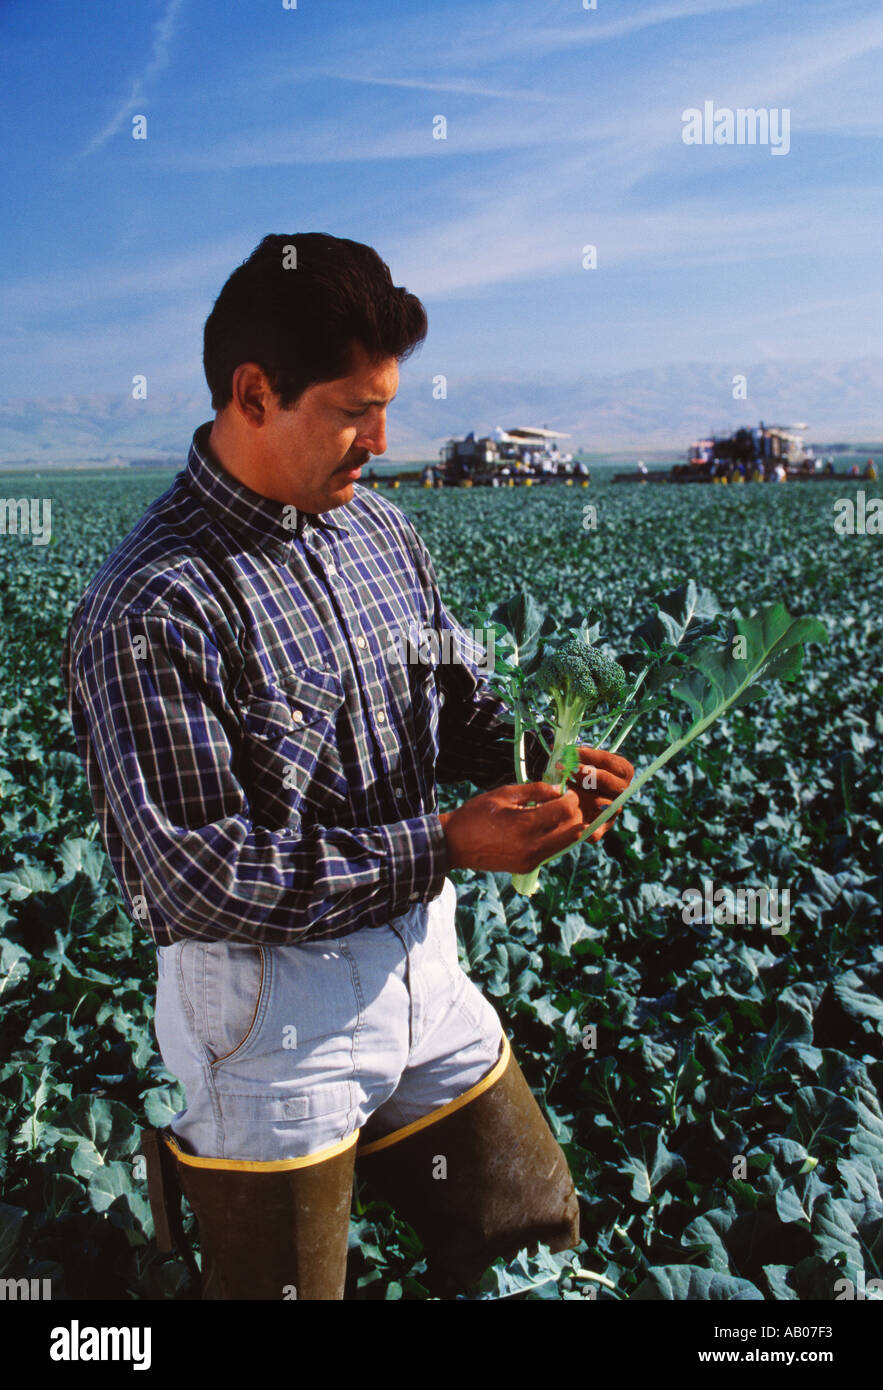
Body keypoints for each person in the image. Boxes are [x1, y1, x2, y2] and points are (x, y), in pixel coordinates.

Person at [61, 233, 633, 1302]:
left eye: (386, 404)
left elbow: (461, 705)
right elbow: (199, 876)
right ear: (254, 393)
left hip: (428, 970)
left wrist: (550, 761)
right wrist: (448, 842)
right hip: (272, 1020)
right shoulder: (154, 603)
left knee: (535, 1246)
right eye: (349, 410)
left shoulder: (379, 530)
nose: (380, 438)